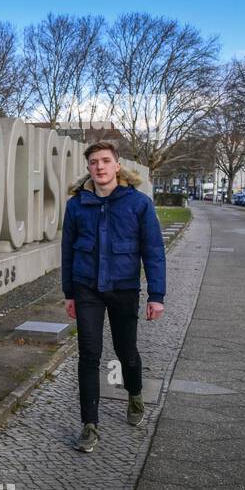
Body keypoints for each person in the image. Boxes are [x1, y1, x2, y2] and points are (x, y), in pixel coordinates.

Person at [60, 141, 166, 453]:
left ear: (117, 165)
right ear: (88, 168)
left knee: (126, 351)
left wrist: (156, 295)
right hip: (86, 287)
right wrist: (69, 293)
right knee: (89, 354)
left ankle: (134, 395)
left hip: (123, 287)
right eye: (94, 162)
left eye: (106, 161)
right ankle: (89, 425)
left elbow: (154, 252)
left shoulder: (138, 204)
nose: (100, 167)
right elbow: (67, 252)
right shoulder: (77, 205)